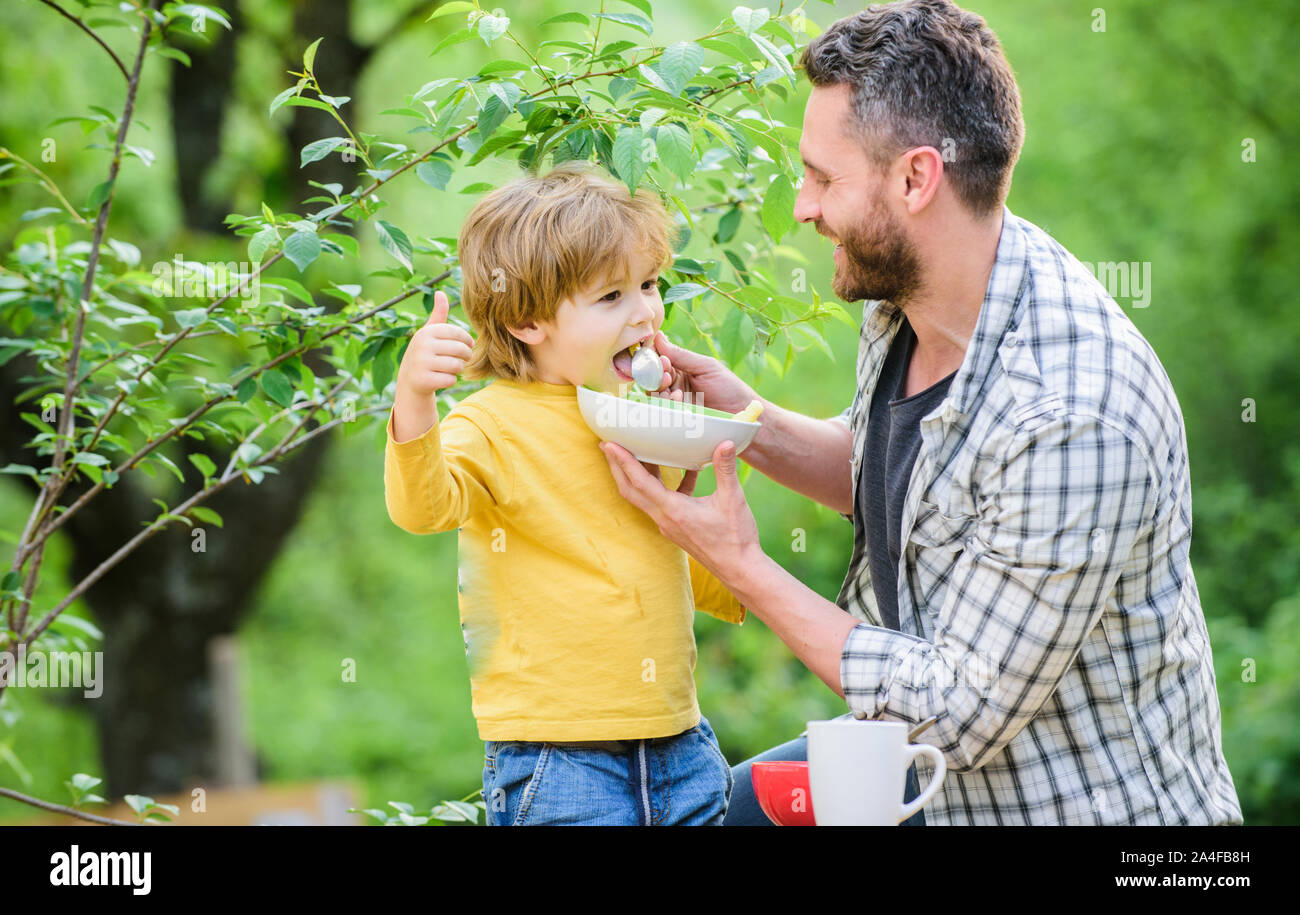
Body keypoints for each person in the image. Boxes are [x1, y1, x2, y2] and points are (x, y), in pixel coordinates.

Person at [601, 0, 1243, 825]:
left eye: (823, 178)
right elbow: (894, 483)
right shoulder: (917, 292)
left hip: (1071, 806)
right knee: (706, 812)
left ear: (915, 179)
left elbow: (956, 710)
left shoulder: (1076, 410)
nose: (802, 206)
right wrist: (739, 418)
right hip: (929, 776)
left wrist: (738, 562)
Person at [383, 161, 744, 826]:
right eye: (611, 297)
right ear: (526, 321)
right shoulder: (491, 423)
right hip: (558, 757)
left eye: (649, 283)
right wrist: (415, 399)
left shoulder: (639, 414)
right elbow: (423, 506)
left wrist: (720, 528)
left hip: (680, 740)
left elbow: (681, 550)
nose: (645, 311)